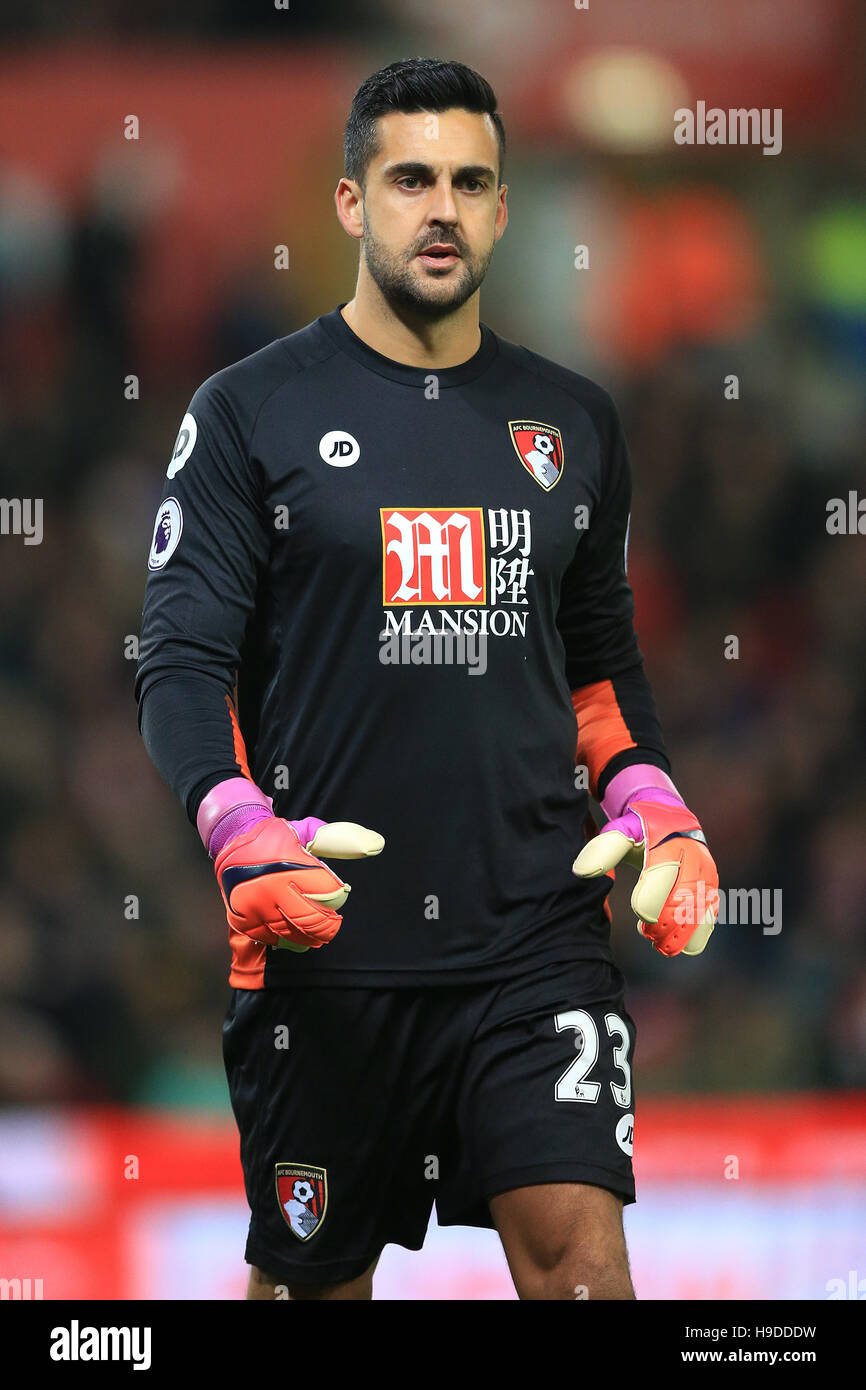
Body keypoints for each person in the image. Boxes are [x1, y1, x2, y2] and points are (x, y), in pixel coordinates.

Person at [135, 57, 718, 1301]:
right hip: (329, 942)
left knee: (582, 1262)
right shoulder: (247, 414)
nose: (439, 208)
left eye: (468, 181)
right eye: (408, 179)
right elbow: (180, 664)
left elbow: (599, 669)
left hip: (534, 934)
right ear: (351, 203)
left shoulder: (572, 421)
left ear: (505, 210)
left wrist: (652, 801)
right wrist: (236, 828)